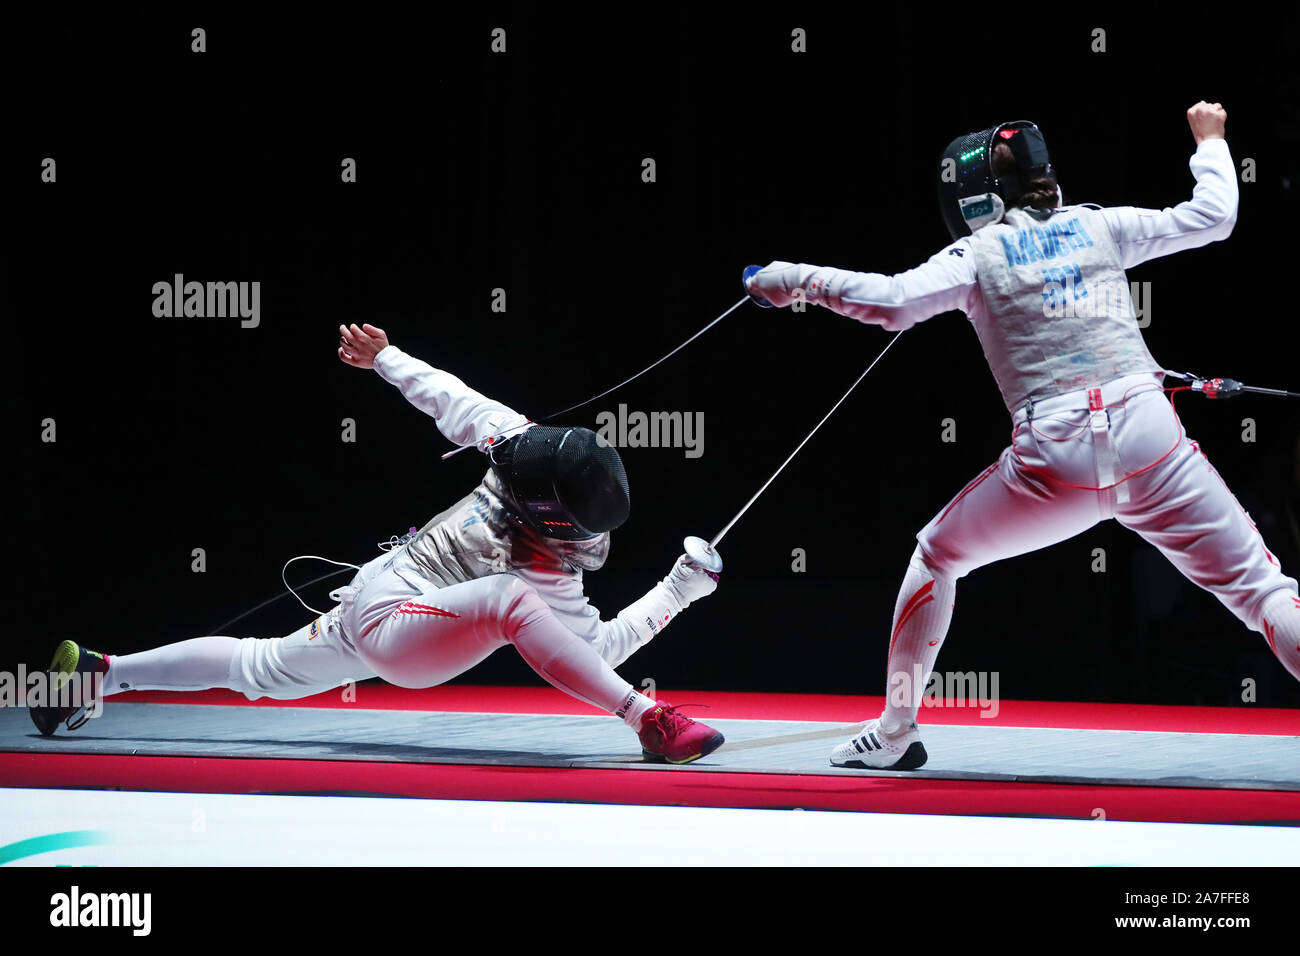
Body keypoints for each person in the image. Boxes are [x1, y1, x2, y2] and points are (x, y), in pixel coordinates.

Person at [746, 102, 1300, 770]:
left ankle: (896, 731)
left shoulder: (978, 252)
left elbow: (891, 303)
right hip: (1148, 436)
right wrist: (1211, 141)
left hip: (1056, 457)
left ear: (978, 196)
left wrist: (789, 282)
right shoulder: (1102, 227)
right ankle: (893, 731)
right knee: (1262, 590)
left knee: (937, 556)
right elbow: (1213, 216)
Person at [30, 323, 726, 764]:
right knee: (507, 598)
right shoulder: (526, 482)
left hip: (384, 595)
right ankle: (648, 720)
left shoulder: (540, 524)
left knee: (258, 667)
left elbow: (447, 397)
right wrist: (678, 593)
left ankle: (101, 672)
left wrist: (386, 356)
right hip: (394, 625)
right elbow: (449, 397)